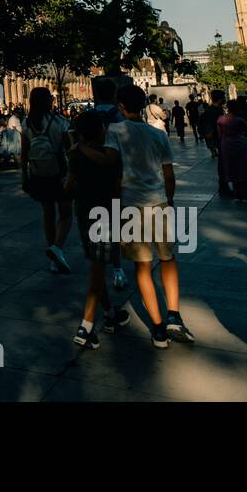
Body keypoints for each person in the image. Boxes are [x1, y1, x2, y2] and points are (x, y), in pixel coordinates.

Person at [79, 84, 193, 348]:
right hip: (159, 202)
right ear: (143, 105)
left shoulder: (115, 131)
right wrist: (169, 201)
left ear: (120, 106)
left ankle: (157, 330)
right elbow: (169, 176)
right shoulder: (158, 135)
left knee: (142, 266)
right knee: (168, 259)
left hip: (131, 205)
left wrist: (81, 148)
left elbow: (107, 161)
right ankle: (174, 315)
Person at [67, 110, 129, 347]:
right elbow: (117, 186)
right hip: (105, 213)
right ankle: (86, 326)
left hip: (84, 212)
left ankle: (111, 314)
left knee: (96, 264)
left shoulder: (75, 155)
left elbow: (68, 185)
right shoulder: (111, 154)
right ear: (100, 130)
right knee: (97, 270)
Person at [20, 87, 72, 275]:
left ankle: (53, 256)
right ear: (48, 101)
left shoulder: (27, 123)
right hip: (59, 174)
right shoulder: (60, 122)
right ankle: (57, 248)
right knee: (66, 214)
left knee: (48, 214)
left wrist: (24, 177)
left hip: (38, 174)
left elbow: (24, 154)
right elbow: (70, 150)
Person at [90, 77, 128, 291]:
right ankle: (117, 267)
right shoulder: (119, 117)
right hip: (116, 173)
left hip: (94, 174)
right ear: (114, 94)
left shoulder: (88, 116)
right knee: (116, 219)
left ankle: (97, 266)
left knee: (97, 220)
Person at [218, 98, 247, 205]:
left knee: (232, 169)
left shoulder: (221, 119)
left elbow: (219, 134)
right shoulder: (239, 119)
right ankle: (245, 194)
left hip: (226, 144)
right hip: (239, 144)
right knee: (242, 168)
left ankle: (237, 194)